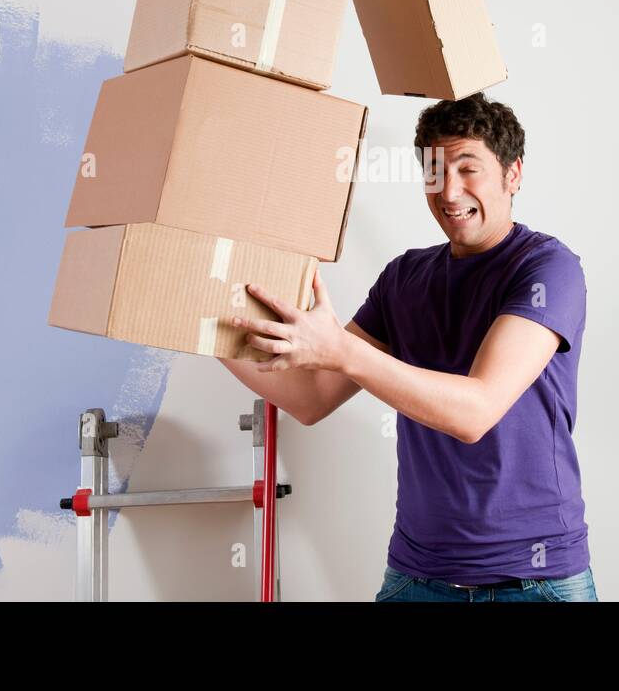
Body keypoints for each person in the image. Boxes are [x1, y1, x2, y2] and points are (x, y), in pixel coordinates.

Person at [219, 93, 595, 602]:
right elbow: (312, 397)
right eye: (435, 172)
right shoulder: (405, 278)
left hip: (535, 581)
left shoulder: (548, 270)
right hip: (418, 578)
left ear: (513, 174)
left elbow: (475, 410)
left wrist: (341, 350)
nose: (449, 190)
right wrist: (201, 330)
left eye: (469, 169)